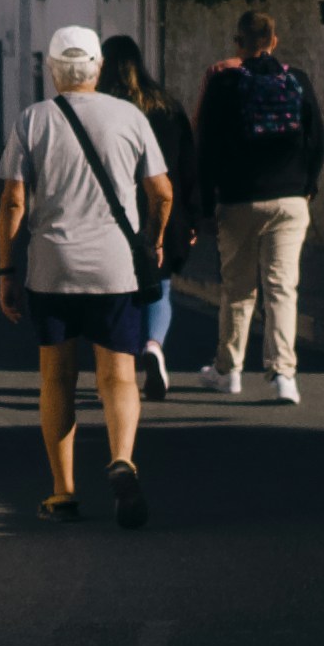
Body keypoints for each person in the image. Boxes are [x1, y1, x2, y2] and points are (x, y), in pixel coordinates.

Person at [0, 27, 176, 527]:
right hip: (115, 267)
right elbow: (162, 192)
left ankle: (63, 492)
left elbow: (13, 200)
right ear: (96, 68)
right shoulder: (130, 116)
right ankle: (122, 458)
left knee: (57, 377)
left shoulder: (33, 120)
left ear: (53, 70)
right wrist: (154, 240)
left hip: (52, 268)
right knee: (118, 376)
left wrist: (7, 269)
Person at [191, 4, 324, 398]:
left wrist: (205, 202)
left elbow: (207, 147)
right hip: (290, 198)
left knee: (238, 288)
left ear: (240, 42)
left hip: (239, 199)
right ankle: (284, 375)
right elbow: (317, 136)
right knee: (282, 287)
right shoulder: (296, 79)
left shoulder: (224, 83)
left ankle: (228, 370)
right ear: (274, 41)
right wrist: (309, 184)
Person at [106, 41, 202, 392]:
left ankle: (123, 359)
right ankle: (153, 345)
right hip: (164, 209)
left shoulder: (105, 108)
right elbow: (188, 167)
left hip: (115, 213)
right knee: (159, 284)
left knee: (119, 289)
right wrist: (192, 215)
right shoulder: (166, 106)